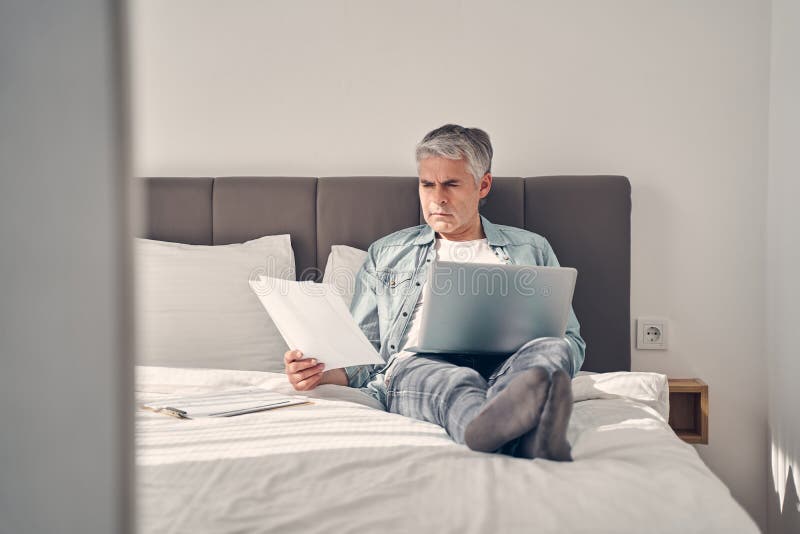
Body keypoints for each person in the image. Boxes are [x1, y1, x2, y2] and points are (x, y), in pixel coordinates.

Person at [283, 124, 586, 460]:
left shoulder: (532, 248)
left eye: (451, 184)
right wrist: (325, 371)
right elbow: (365, 353)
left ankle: (511, 417)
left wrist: (547, 360)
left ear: (483, 185)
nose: (437, 198)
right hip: (421, 368)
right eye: (427, 184)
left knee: (553, 349)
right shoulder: (387, 253)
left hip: (508, 369)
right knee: (448, 383)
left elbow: (571, 340)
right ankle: (504, 428)